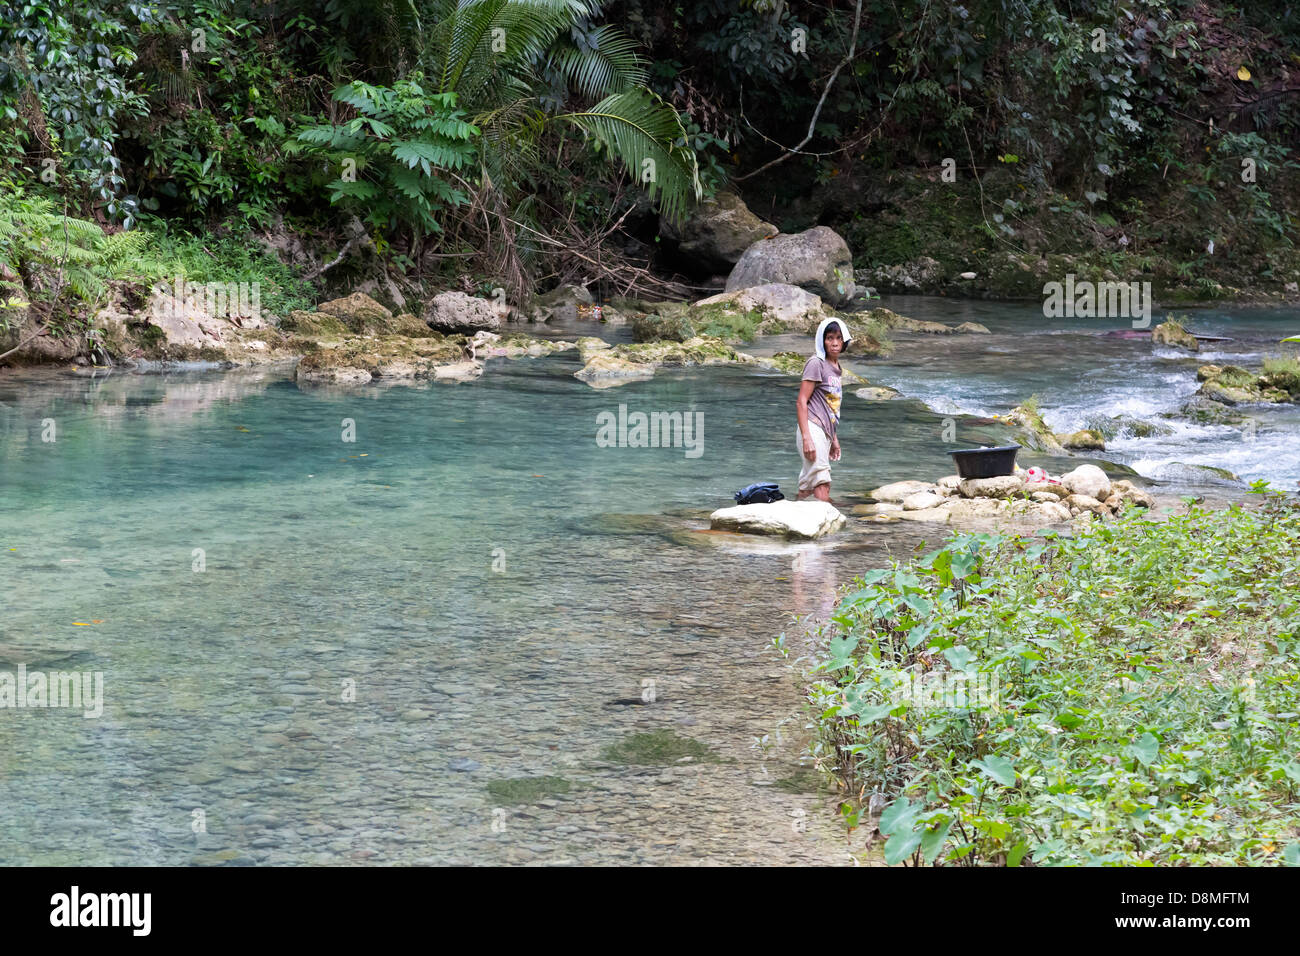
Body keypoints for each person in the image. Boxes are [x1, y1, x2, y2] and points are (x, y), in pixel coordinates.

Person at [796, 317, 852, 503]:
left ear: (844, 341)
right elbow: (801, 401)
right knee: (822, 483)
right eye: (829, 338)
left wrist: (834, 439)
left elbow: (829, 406)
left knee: (808, 487)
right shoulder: (816, 363)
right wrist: (807, 438)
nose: (834, 343)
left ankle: (795, 526)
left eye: (838, 338)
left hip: (825, 431)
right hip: (812, 428)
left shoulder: (836, 367)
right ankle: (829, 531)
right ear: (822, 340)